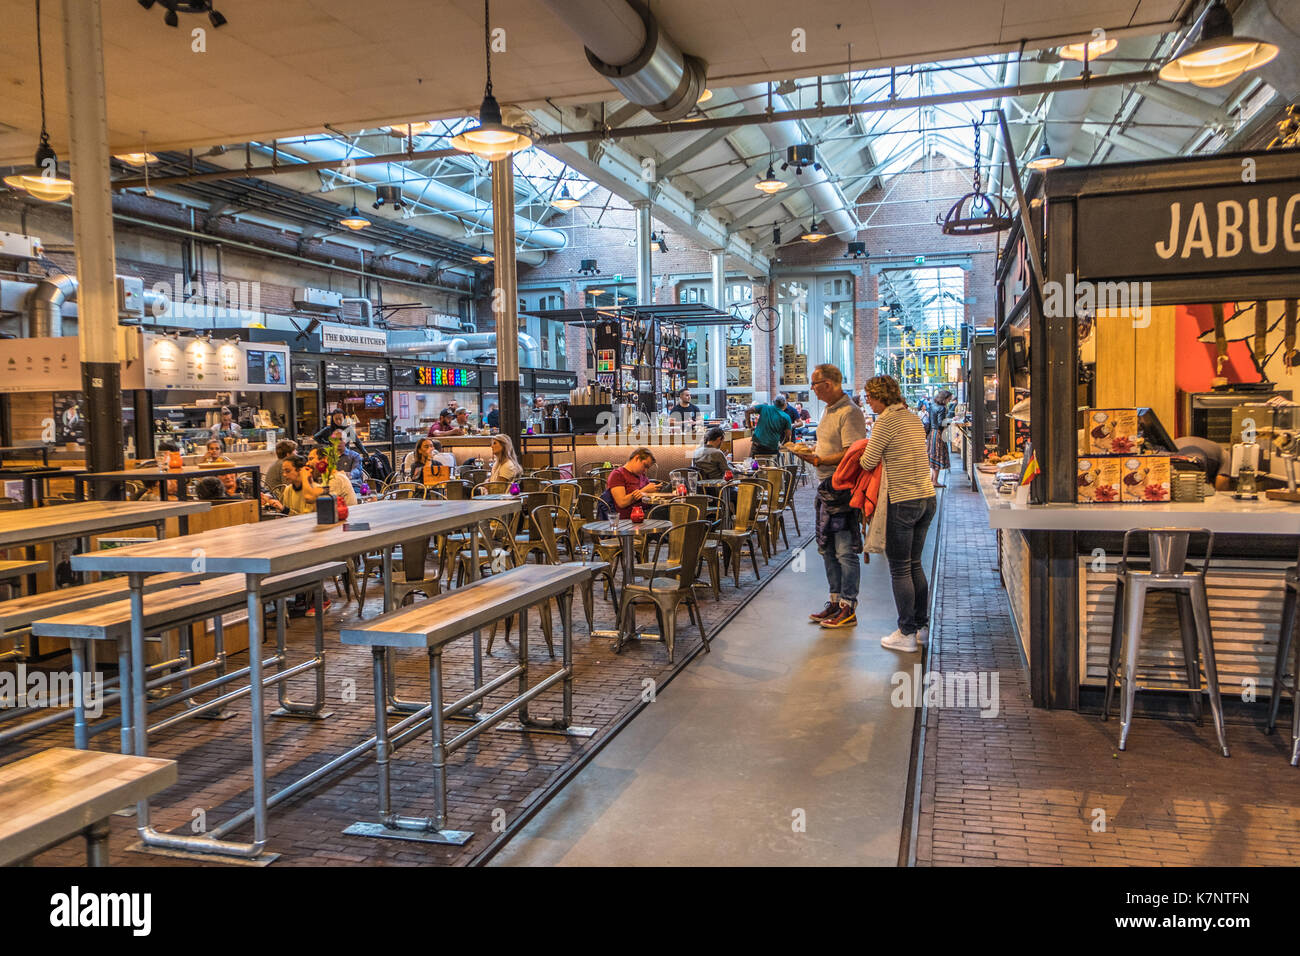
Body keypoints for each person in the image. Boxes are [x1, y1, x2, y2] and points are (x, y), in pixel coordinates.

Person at [861, 375, 937, 652]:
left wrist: (859, 452)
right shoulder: (913, 417)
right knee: (915, 564)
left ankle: (905, 634)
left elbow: (868, 460)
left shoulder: (886, 421)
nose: (868, 401)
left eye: (870, 396)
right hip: (927, 497)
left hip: (903, 499)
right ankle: (921, 627)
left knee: (900, 568)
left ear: (881, 396)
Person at [790, 364, 867, 629]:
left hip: (842, 489)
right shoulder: (828, 411)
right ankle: (835, 600)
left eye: (814, 383)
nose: (812, 389)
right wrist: (813, 452)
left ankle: (848, 606)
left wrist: (820, 458)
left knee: (845, 549)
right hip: (826, 486)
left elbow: (852, 453)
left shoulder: (850, 412)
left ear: (830, 383)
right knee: (826, 548)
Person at [605, 447, 660, 518]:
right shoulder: (618, 474)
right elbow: (622, 502)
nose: (645, 470)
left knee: (671, 496)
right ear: (637, 458)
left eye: (647, 468)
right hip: (628, 519)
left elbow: (648, 495)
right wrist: (644, 491)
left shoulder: (641, 476)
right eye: (645, 465)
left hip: (646, 514)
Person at [926, 389, 955, 486]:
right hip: (938, 434)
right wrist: (950, 421)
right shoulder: (942, 408)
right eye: (949, 399)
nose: (949, 402)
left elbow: (930, 422)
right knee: (938, 457)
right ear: (945, 398)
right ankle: (935, 481)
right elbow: (940, 423)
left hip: (932, 434)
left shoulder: (932, 406)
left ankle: (932, 479)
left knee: (933, 455)